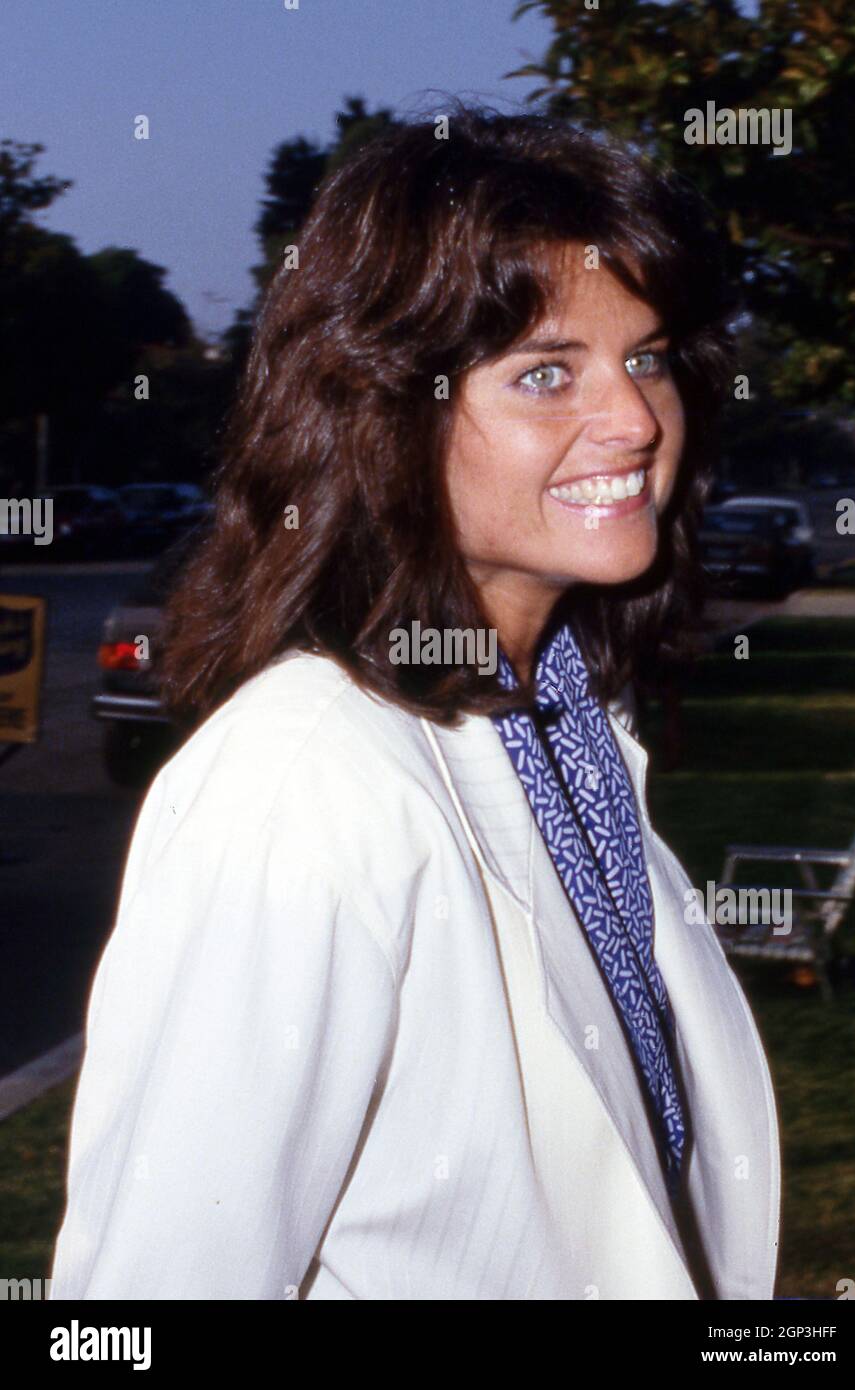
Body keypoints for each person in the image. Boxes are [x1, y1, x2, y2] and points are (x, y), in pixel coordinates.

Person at [49, 104, 780, 1301]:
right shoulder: (303, 782)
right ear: (387, 417)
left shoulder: (556, 723)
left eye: (644, 356)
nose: (637, 421)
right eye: (545, 373)